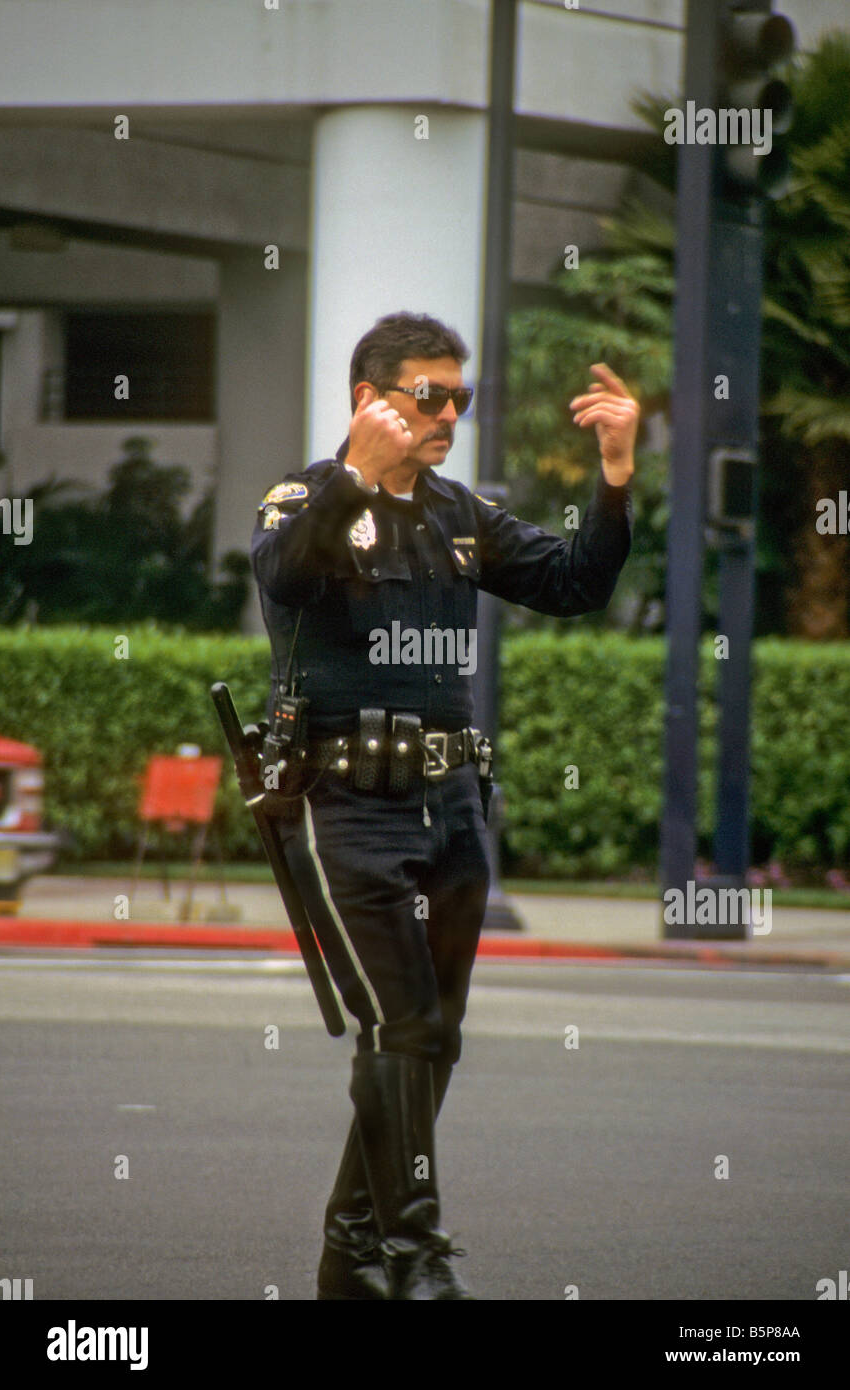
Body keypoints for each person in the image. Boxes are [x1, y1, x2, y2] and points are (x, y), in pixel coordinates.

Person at [250, 311, 638, 1300]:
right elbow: (288, 574)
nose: (447, 415)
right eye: (428, 395)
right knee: (403, 1025)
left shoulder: (460, 512)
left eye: (457, 397)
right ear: (367, 400)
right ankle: (413, 1257)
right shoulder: (302, 497)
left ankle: (350, 1252)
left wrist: (615, 475)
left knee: (433, 1033)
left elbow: (572, 582)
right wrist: (351, 476)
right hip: (344, 804)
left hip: (451, 805)